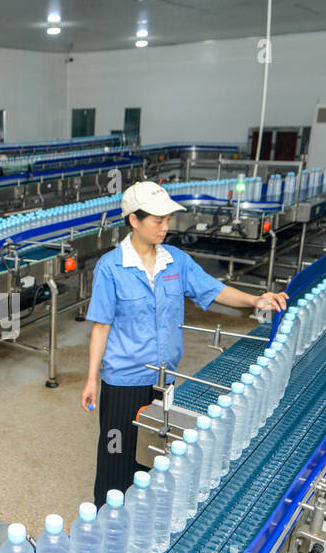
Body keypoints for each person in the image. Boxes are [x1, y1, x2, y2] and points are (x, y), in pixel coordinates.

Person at [80, 181, 288, 506]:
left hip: (165, 379)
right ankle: (106, 519)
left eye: (167, 220)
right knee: (114, 455)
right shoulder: (111, 268)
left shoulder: (176, 261)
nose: (165, 227)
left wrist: (255, 300)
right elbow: (101, 326)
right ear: (133, 220)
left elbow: (214, 289)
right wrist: (92, 379)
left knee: (158, 453)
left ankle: (145, 513)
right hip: (122, 382)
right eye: (157, 220)